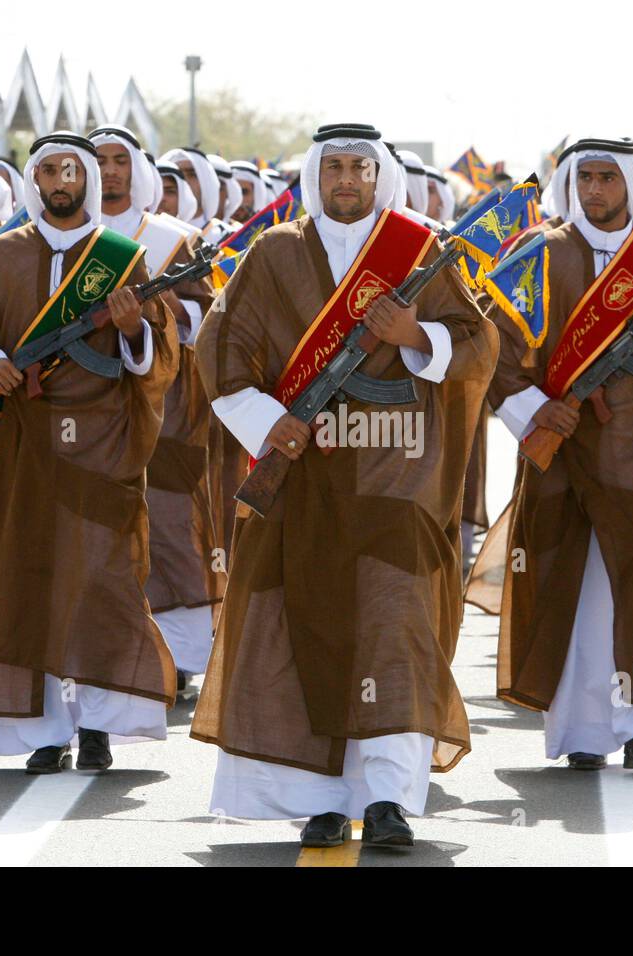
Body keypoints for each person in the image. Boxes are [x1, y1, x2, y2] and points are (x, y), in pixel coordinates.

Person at [192, 122, 496, 847]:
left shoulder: (417, 249)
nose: (346, 181)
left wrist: (415, 334)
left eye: (360, 167)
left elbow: (480, 344)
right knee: (305, 628)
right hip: (299, 474)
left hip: (398, 477)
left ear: (380, 175)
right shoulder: (274, 255)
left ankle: (388, 797)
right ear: (314, 175)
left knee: (394, 626)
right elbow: (221, 348)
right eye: (334, 168)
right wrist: (272, 424)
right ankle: (319, 798)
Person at [0, 131, 181, 774]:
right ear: (35, 181)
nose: (61, 180)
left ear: (88, 181)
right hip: (22, 439)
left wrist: (132, 330)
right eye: (49, 170)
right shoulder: (7, 253)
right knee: (31, 577)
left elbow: (159, 351)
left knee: (100, 580)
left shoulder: (121, 256)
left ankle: (98, 724)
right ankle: (47, 729)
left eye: (73, 170)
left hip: (103, 442)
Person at [488, 136, 633, 771]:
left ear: (629, 184)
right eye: (585, 178)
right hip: (562, 449)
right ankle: (583, 731)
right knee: (574, 587)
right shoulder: (539, 254)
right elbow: (501, 352)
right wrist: (537, 409)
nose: (595, 190)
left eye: (607, 178)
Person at [90, 123, 223, 685]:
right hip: (81, 409)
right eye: (99, 160)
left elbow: (207, 322)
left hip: (164, 409)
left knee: (169, 527)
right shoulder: (59, 236)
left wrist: (162, 310)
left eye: (121, 159)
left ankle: (184, 658)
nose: (111, 170)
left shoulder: (172, 240)